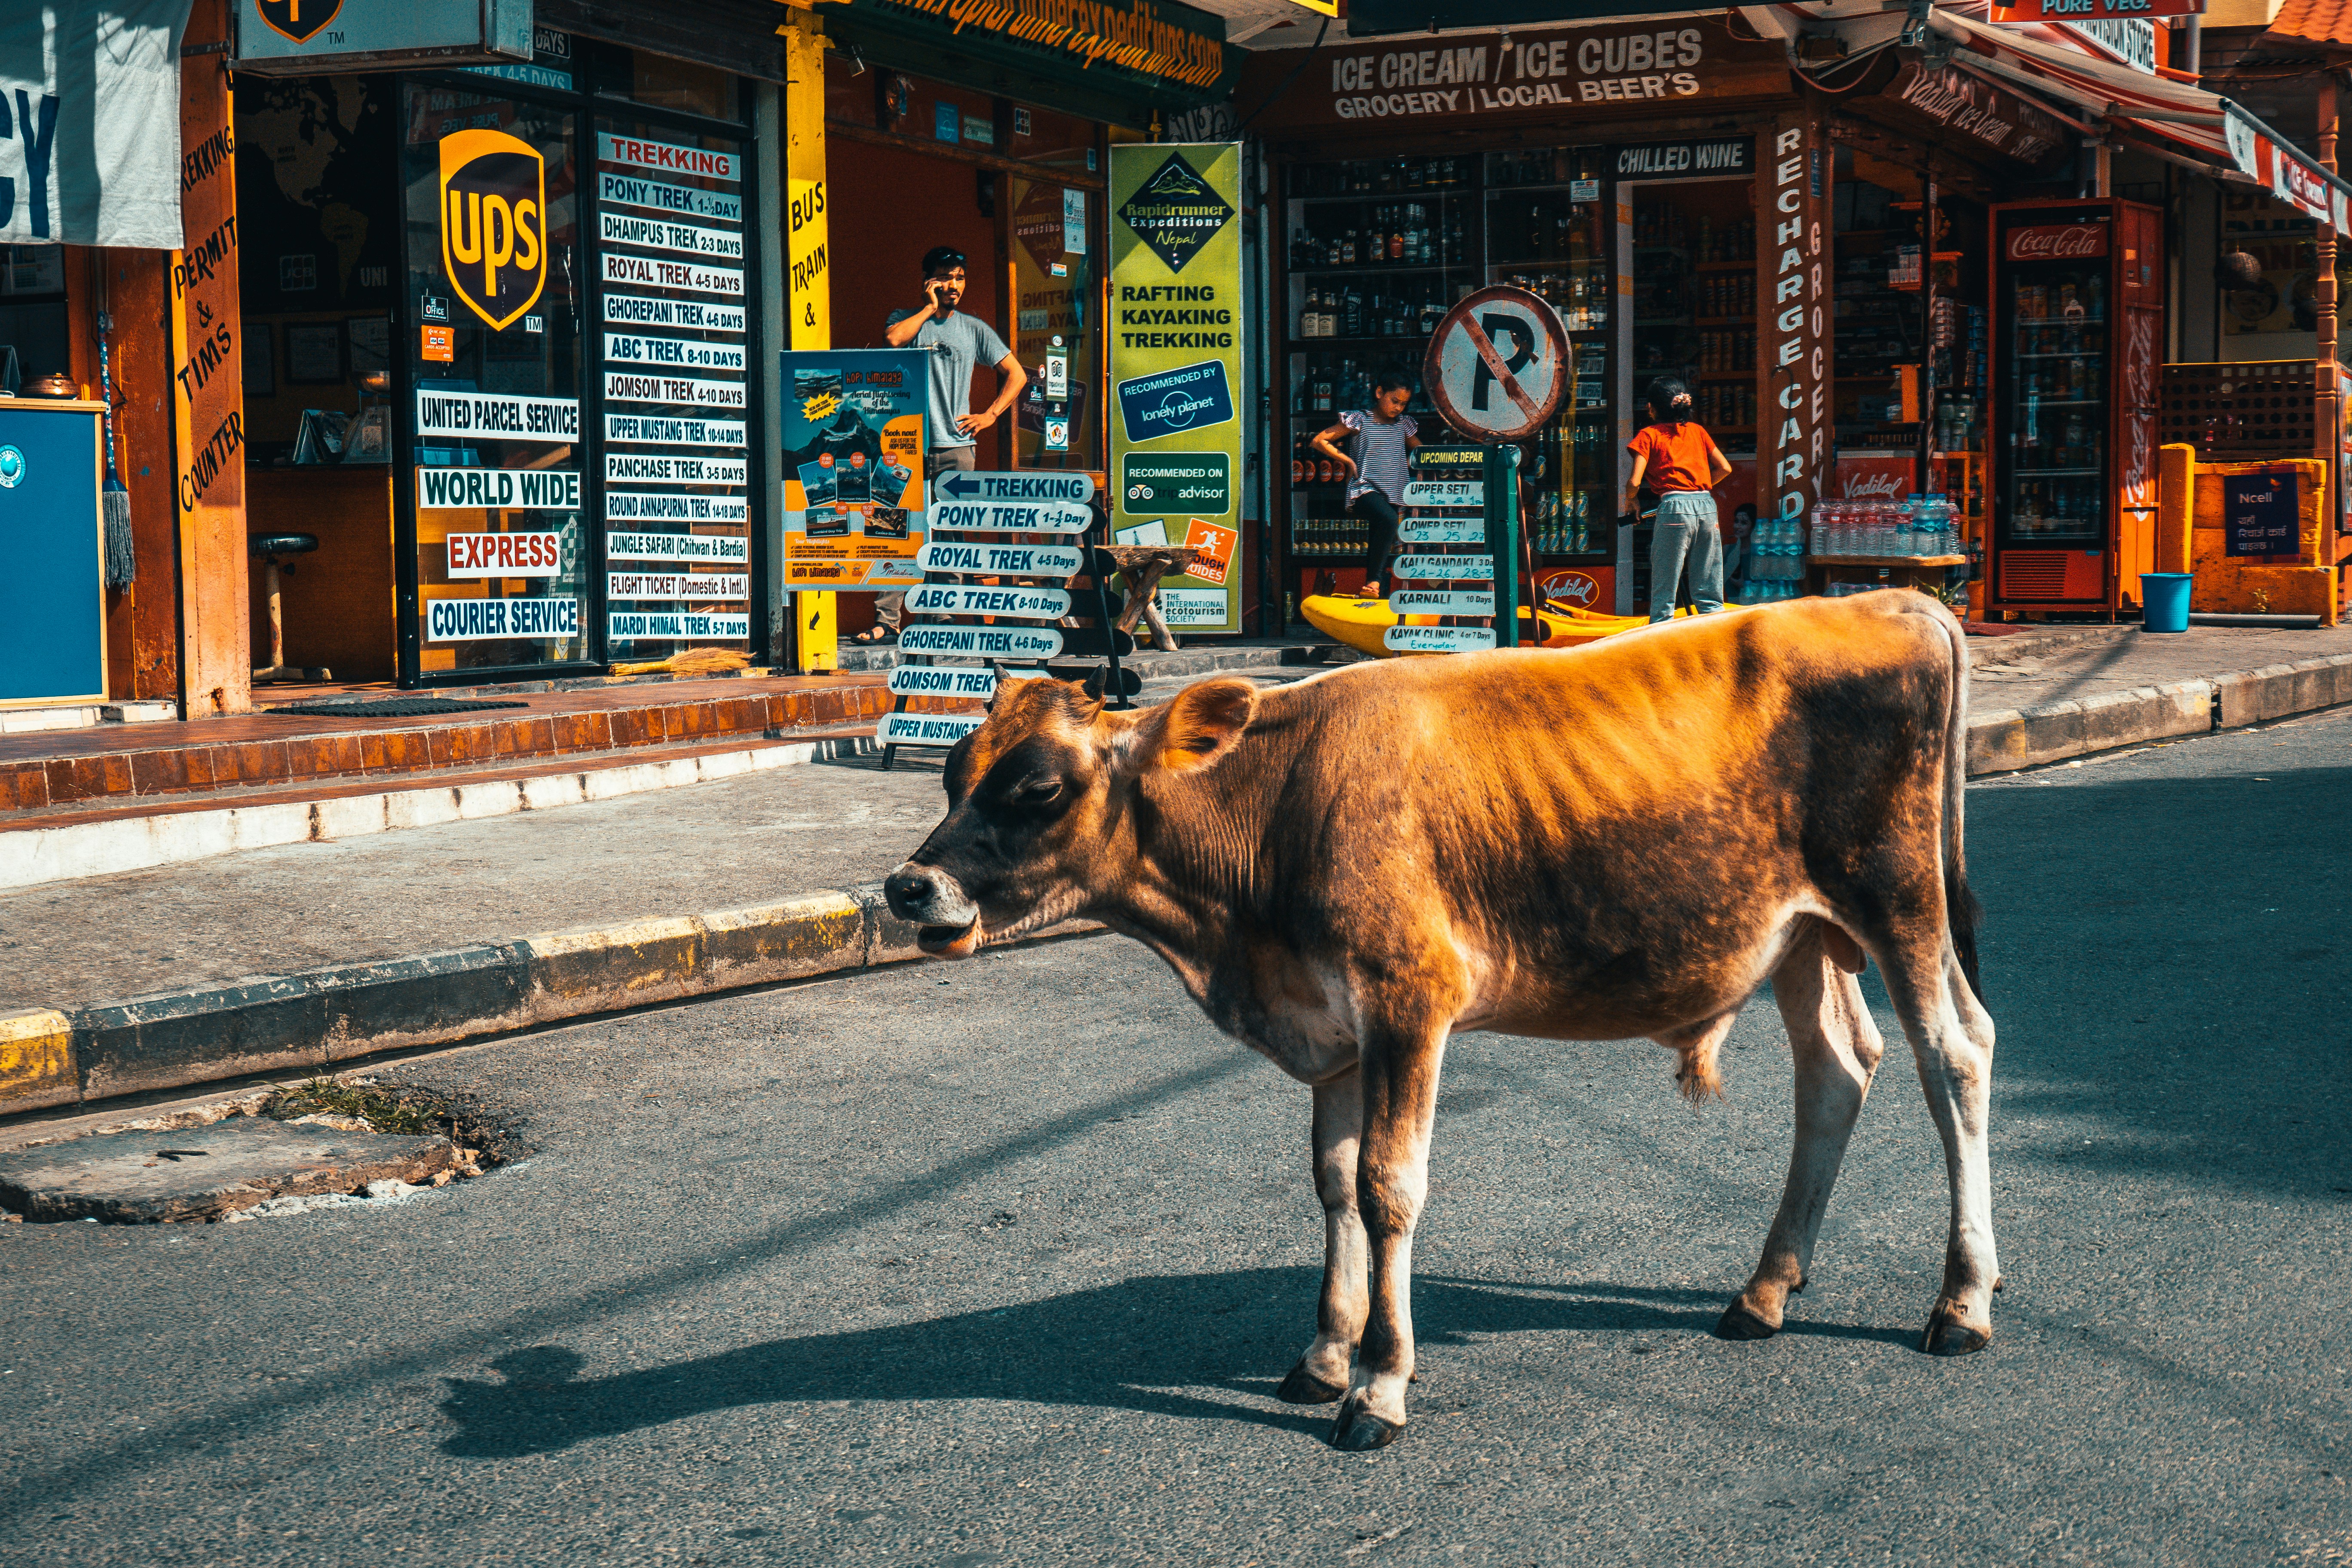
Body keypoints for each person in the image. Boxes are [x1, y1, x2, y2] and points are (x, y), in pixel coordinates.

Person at [858, 245, 1028, 643]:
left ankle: (943, 619)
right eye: (946, 277)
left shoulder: (974, 329)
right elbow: (893, 340)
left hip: (956, 448)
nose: (954, 285)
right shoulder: (907, 320)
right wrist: (928, 308)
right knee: (892, 530)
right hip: (904, 448)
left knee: (951, 535)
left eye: (960, 278)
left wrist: (990, 415)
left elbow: (1017, 375)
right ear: (929, 280)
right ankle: (887, 621)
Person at [1624, 377, 1733, 623]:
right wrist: (1696, 488)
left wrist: (1631, 501)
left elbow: (1634, 483)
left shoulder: (1648, 435)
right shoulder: (1698, 431)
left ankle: (1663, 646)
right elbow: (1725, 468)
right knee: (1709, 591)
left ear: (1652, 408)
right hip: (1706, 506)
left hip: (1674, 508)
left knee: (1665, 590)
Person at [1308, 371, 1419, 596]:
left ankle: (1372, 586)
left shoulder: (1404, 425)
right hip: (1364, 489)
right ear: (1380, 393)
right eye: (1394, 401)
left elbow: (1422, 452)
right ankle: (1375, 583)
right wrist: (1348, 461)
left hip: (1395, 492)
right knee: (1387, 520)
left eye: (1403, 404)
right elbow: (1319, 441)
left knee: (1383, 528)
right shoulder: (1360, 420)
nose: (1398, 408)